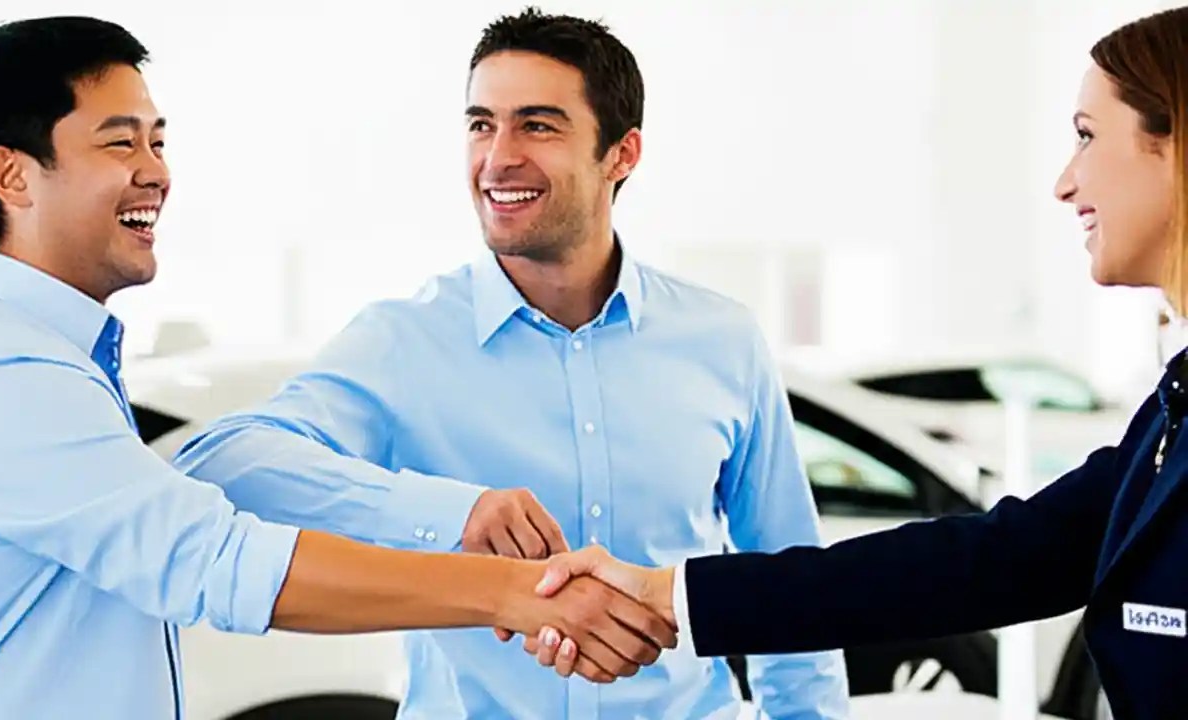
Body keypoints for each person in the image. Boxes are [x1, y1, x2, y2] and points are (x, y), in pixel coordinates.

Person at [0, 17, 675, 720]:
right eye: (120, 144)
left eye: (158, 143)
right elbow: (218, 558)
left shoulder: (40, 363)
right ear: (12, 177)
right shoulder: (5, 379)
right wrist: (514, 592)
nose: (157, 173)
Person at [172, 7, 849, 719]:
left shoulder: (722, 341)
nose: (497, 157)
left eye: (537, 126)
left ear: (621, 154)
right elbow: (221, 463)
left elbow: (793, 587)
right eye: (481, 124)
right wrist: (452, 512)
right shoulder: (403, 343)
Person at [527, 7, 1188, 719]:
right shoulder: (1169, 415)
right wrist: (669, 596)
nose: (1065, 182)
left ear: (1176, 146)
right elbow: (990, 561)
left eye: (1087, 136)